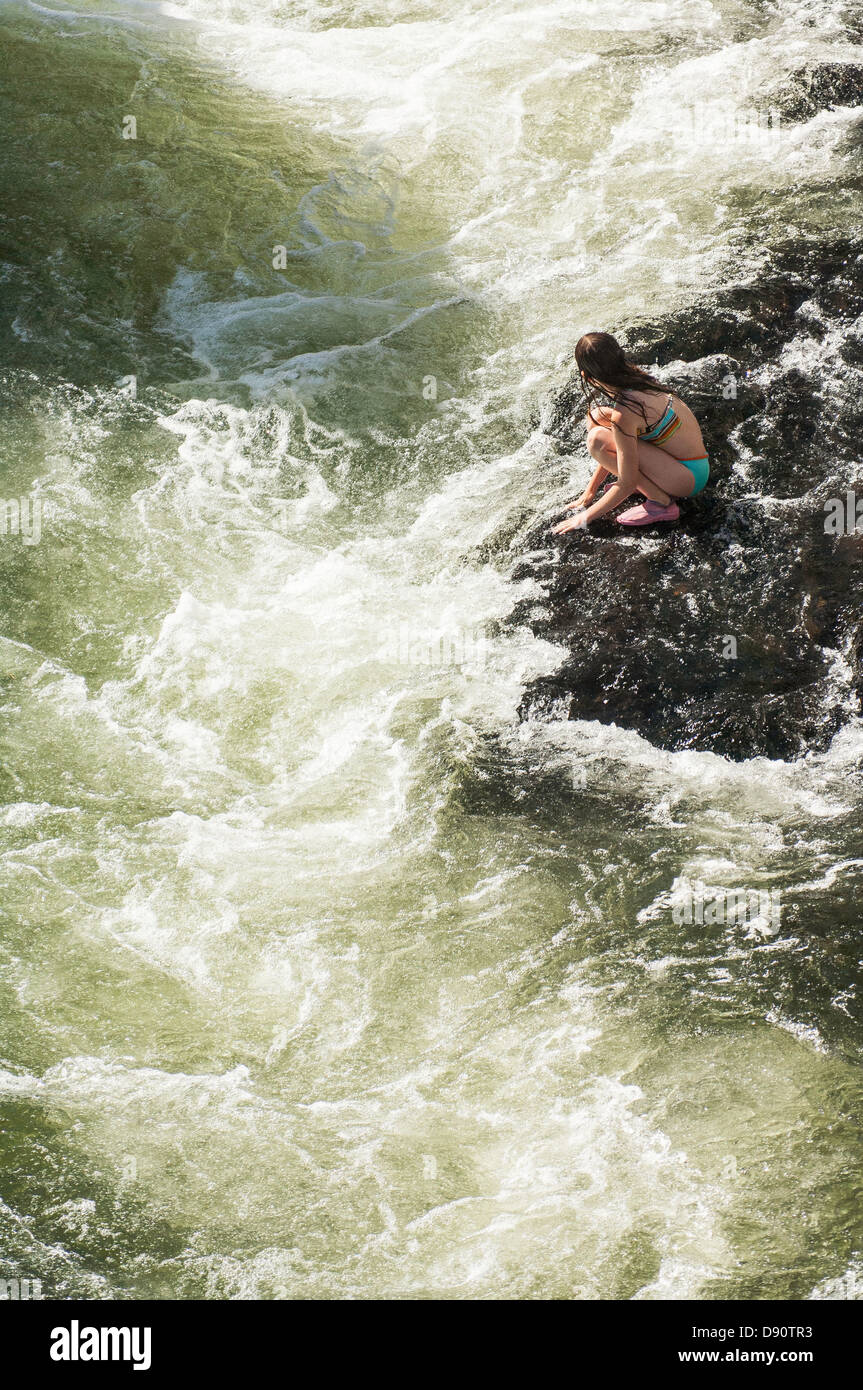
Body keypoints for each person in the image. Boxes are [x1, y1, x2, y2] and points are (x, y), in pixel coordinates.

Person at [551, 331, 709, 532]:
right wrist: (590, 491)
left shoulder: (625, 413)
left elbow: (626, 482)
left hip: (687, 478)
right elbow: (620, 451)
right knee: (598, 416)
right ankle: (651, 486)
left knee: (596, 439)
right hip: (689, 465)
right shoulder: (638, 379)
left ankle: (661, 502)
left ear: (588, 378)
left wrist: (583, 518)